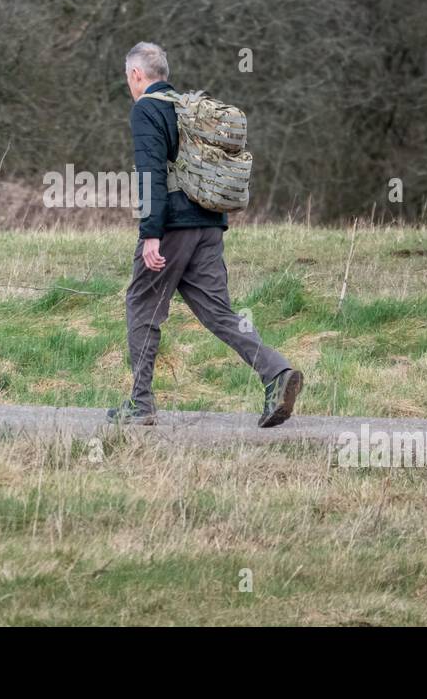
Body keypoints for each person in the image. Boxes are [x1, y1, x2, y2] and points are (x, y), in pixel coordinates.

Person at [109, 41, 303, 427]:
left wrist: (151, 234)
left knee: (142, 306)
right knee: (219, 312)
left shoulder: (147, 109)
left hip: (172, 227)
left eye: (127, 77)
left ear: (136, 74)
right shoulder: (187, 108)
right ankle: (276, 372)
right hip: (209, 223)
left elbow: (150, 173)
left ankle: (141, 403)